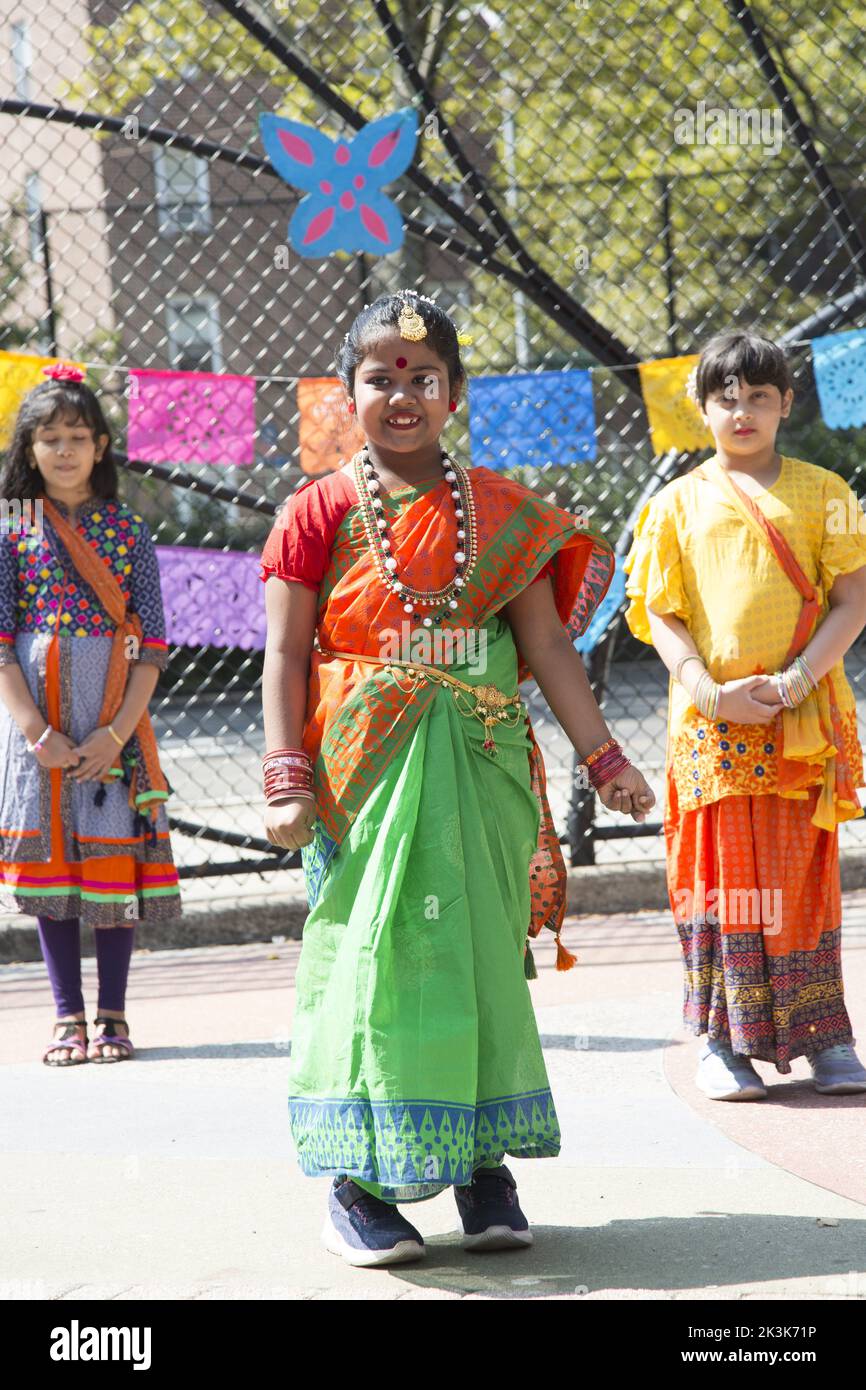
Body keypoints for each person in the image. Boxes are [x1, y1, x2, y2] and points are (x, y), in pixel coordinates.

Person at [259, 288, 655, 1267]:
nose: (400, 394)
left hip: (479, 767)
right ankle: (359, 1184)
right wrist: (281, 776)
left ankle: (481, 1164)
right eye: (379, 378)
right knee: (371, 965)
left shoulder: (502, 512)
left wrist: (601, 755)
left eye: (421, 377)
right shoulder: (316, 508)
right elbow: (282, 653)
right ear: (343, 395)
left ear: (455, 392)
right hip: (360, 773)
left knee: (479, 957)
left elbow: (548, 643)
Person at [624, 328, 866, 1102]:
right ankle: (721, 1043)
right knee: (719, 881)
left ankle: (826, 1037)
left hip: (801, 717)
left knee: (800, 877)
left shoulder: (825, 492)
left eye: (759, 396)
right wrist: (705, 689)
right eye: (725, 398)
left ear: (786, 404)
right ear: (701, 410)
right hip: (712, 726)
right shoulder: (674, 505)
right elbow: (660, 614)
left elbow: (853, 603)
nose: (742, 411)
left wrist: (795, 684)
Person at [0, 362, 181, 1066]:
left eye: (78, 436)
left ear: (102, 446)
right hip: (36, 729)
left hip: (114, 723)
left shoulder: (127, 530)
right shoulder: (11, 527)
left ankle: (113, 1013)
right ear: (29, 448)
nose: (65, 450)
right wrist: (33, 731)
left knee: (111, 863)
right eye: (50, 438)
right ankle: (66, 1016)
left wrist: (115, 732)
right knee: (53, 875)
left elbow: (154, 642)